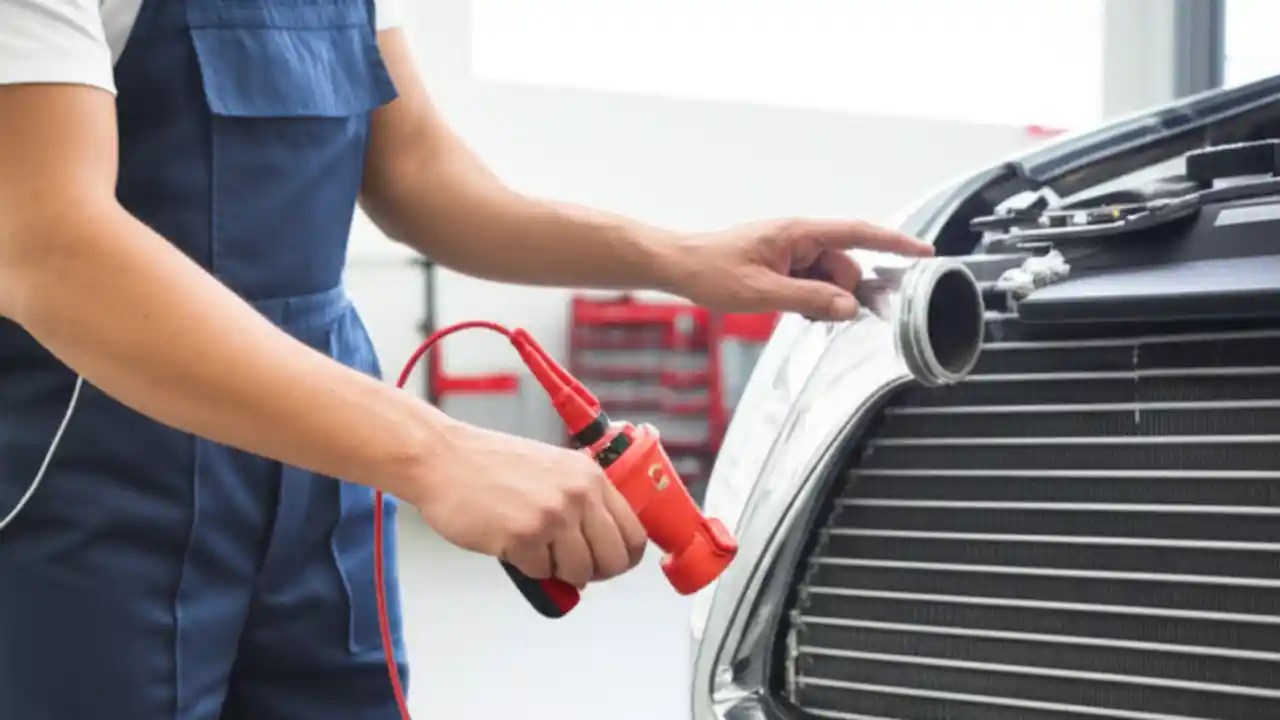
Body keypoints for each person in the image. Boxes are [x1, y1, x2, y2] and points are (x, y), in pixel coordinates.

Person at [0, 0, 934, 717]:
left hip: (327, 464)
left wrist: (674, 258)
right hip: (96, 458)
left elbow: (418, 177)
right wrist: (438, 452)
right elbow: (45, 243)